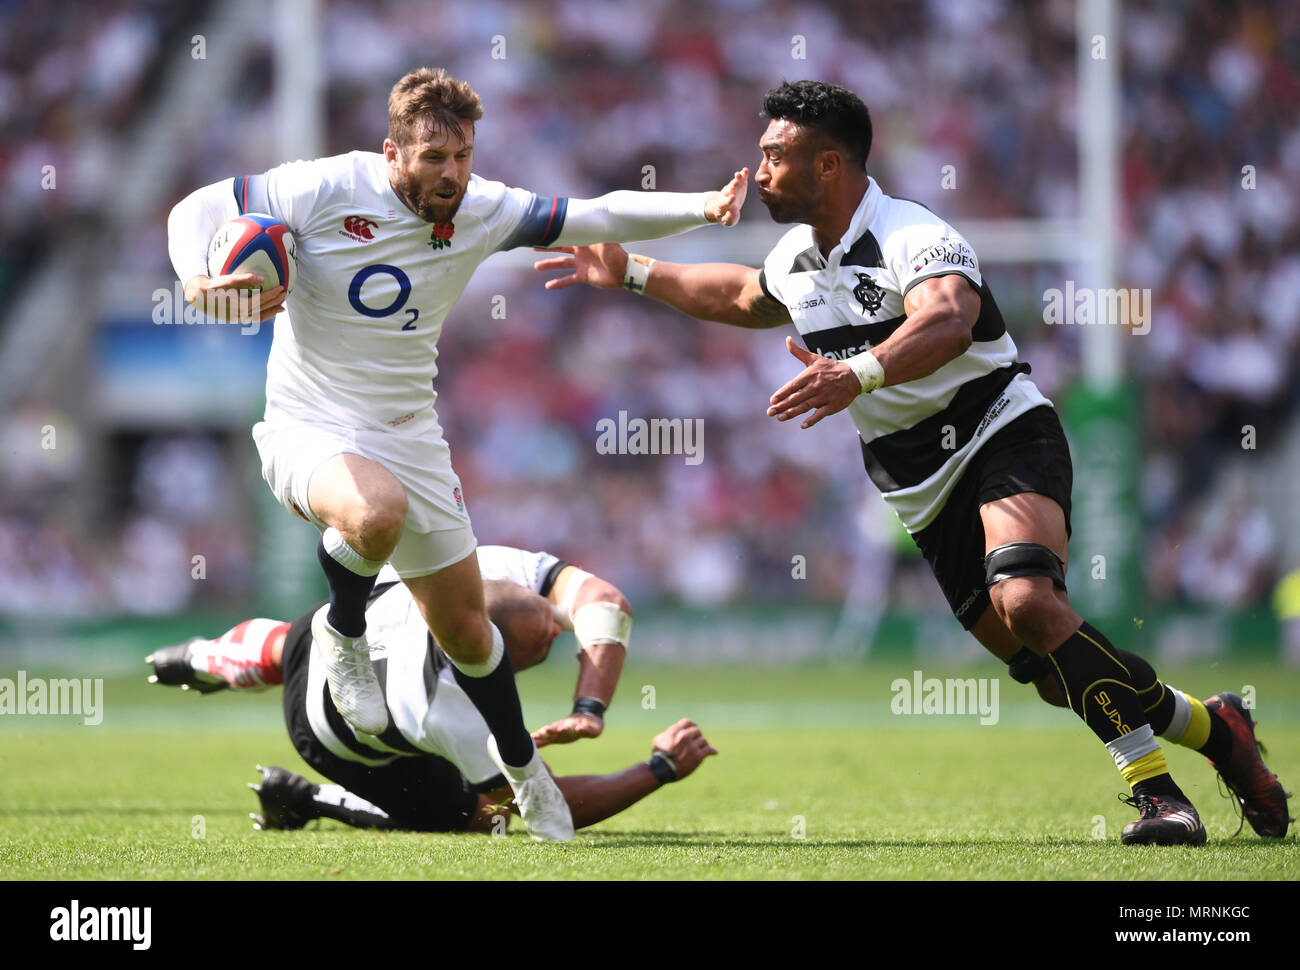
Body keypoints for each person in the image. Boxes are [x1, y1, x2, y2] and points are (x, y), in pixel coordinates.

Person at [533, 79, 1292, 844]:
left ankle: (1160, 797)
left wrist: (856, 372)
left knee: (1027, 602)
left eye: (774, 155)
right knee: (1050, 668)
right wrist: (629, 271)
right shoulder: (798, 257)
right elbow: (738, 296)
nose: (757, 170)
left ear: (829, 165)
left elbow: (949, 320)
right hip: (916, 484)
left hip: (999, 430)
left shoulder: (912, 234)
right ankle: (1219, 731)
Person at [166, 67, 745, 840]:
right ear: (392, 151)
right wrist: (200, 281)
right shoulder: (329, 187)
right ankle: (342, 635)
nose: (452, 173)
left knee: (472, 633)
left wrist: (701, 207)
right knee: (374, 514)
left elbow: (596, 211)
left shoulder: (482, 209)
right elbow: (195, 208)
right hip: (307, 426)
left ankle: (525, 774)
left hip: (410, 434)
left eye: (464, 155)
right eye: (435, 156)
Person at [147, 545, 718, 834]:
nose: (557, 623)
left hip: (318, 638)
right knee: (473, 818)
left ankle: (204, 656)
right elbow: (540, 804)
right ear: (497, 659)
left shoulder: (471, 564)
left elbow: (604, 604)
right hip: (325, 733)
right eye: (545, 641)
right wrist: (658, 770)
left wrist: (589, 707)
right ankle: (314, 800)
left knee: (290, 642)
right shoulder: (456, 711)